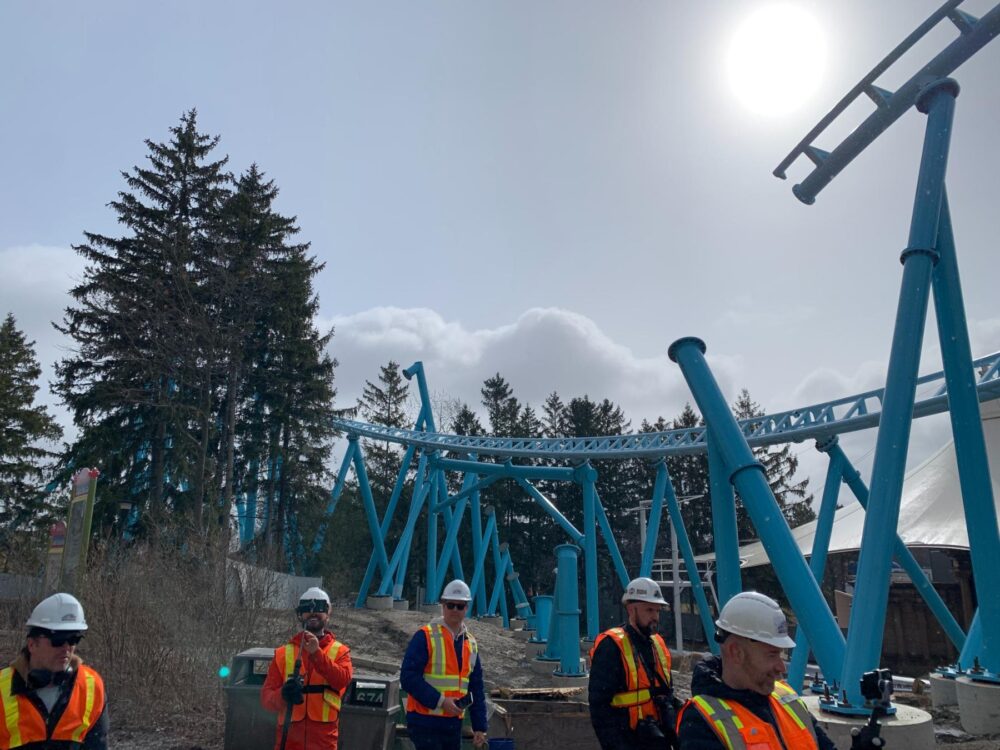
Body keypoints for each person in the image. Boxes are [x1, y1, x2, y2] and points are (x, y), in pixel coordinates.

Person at [676, 591, 840, 750]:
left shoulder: (788, 699)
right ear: (736, 652)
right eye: (772, 655)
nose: (781, 667)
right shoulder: (701, 722)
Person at [0, 592, 108, 750]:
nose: (66, 648)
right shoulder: (2, 689)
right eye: (57, 640)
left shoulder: (91, 687)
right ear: (32, 644)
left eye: (73, 639)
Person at [589, 576, 678, 750]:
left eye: (658, 611)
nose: (655, 617)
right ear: (631, 609)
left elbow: (667, 691)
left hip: (658, 739)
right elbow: (599, 708)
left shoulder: (658, 644)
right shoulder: (612, 646)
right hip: (628, 739)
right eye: (649, 610)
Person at [261, 587, 353, 750]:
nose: (313, 613)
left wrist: (317, 654)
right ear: (300, 614)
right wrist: (283, 694)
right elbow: (267, 700)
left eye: (319, 608)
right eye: (307, 609)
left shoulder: (340, 652)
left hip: (323, 741)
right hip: (288, 740)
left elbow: (342, 680)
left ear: (328, 613)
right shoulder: (283, 654)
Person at [401, 579, 488, 750]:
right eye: (450, 605)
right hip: (424, 722)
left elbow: (476, 686)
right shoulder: (425, 636)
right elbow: (408, 678)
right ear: (443, 605)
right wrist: (441, 701)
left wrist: (479, 727)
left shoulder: (470, 644)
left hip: (453, 725)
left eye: (460, 606)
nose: (455, 610)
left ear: (466, 608)